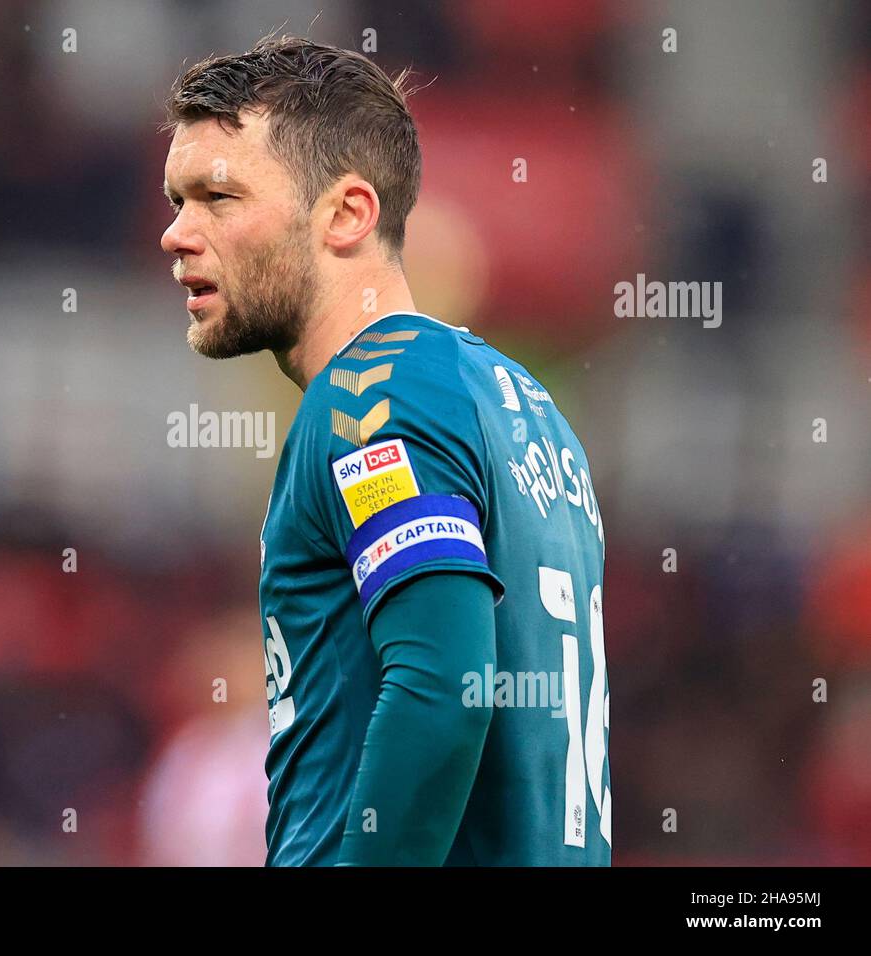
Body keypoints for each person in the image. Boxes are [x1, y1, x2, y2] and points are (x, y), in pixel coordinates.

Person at [158, 33, 610, 866]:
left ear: (347, 213)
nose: (177, 234)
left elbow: (444, 692)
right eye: (176, 201)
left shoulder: (372, 400)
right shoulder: (524, 406)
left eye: (217, 198)